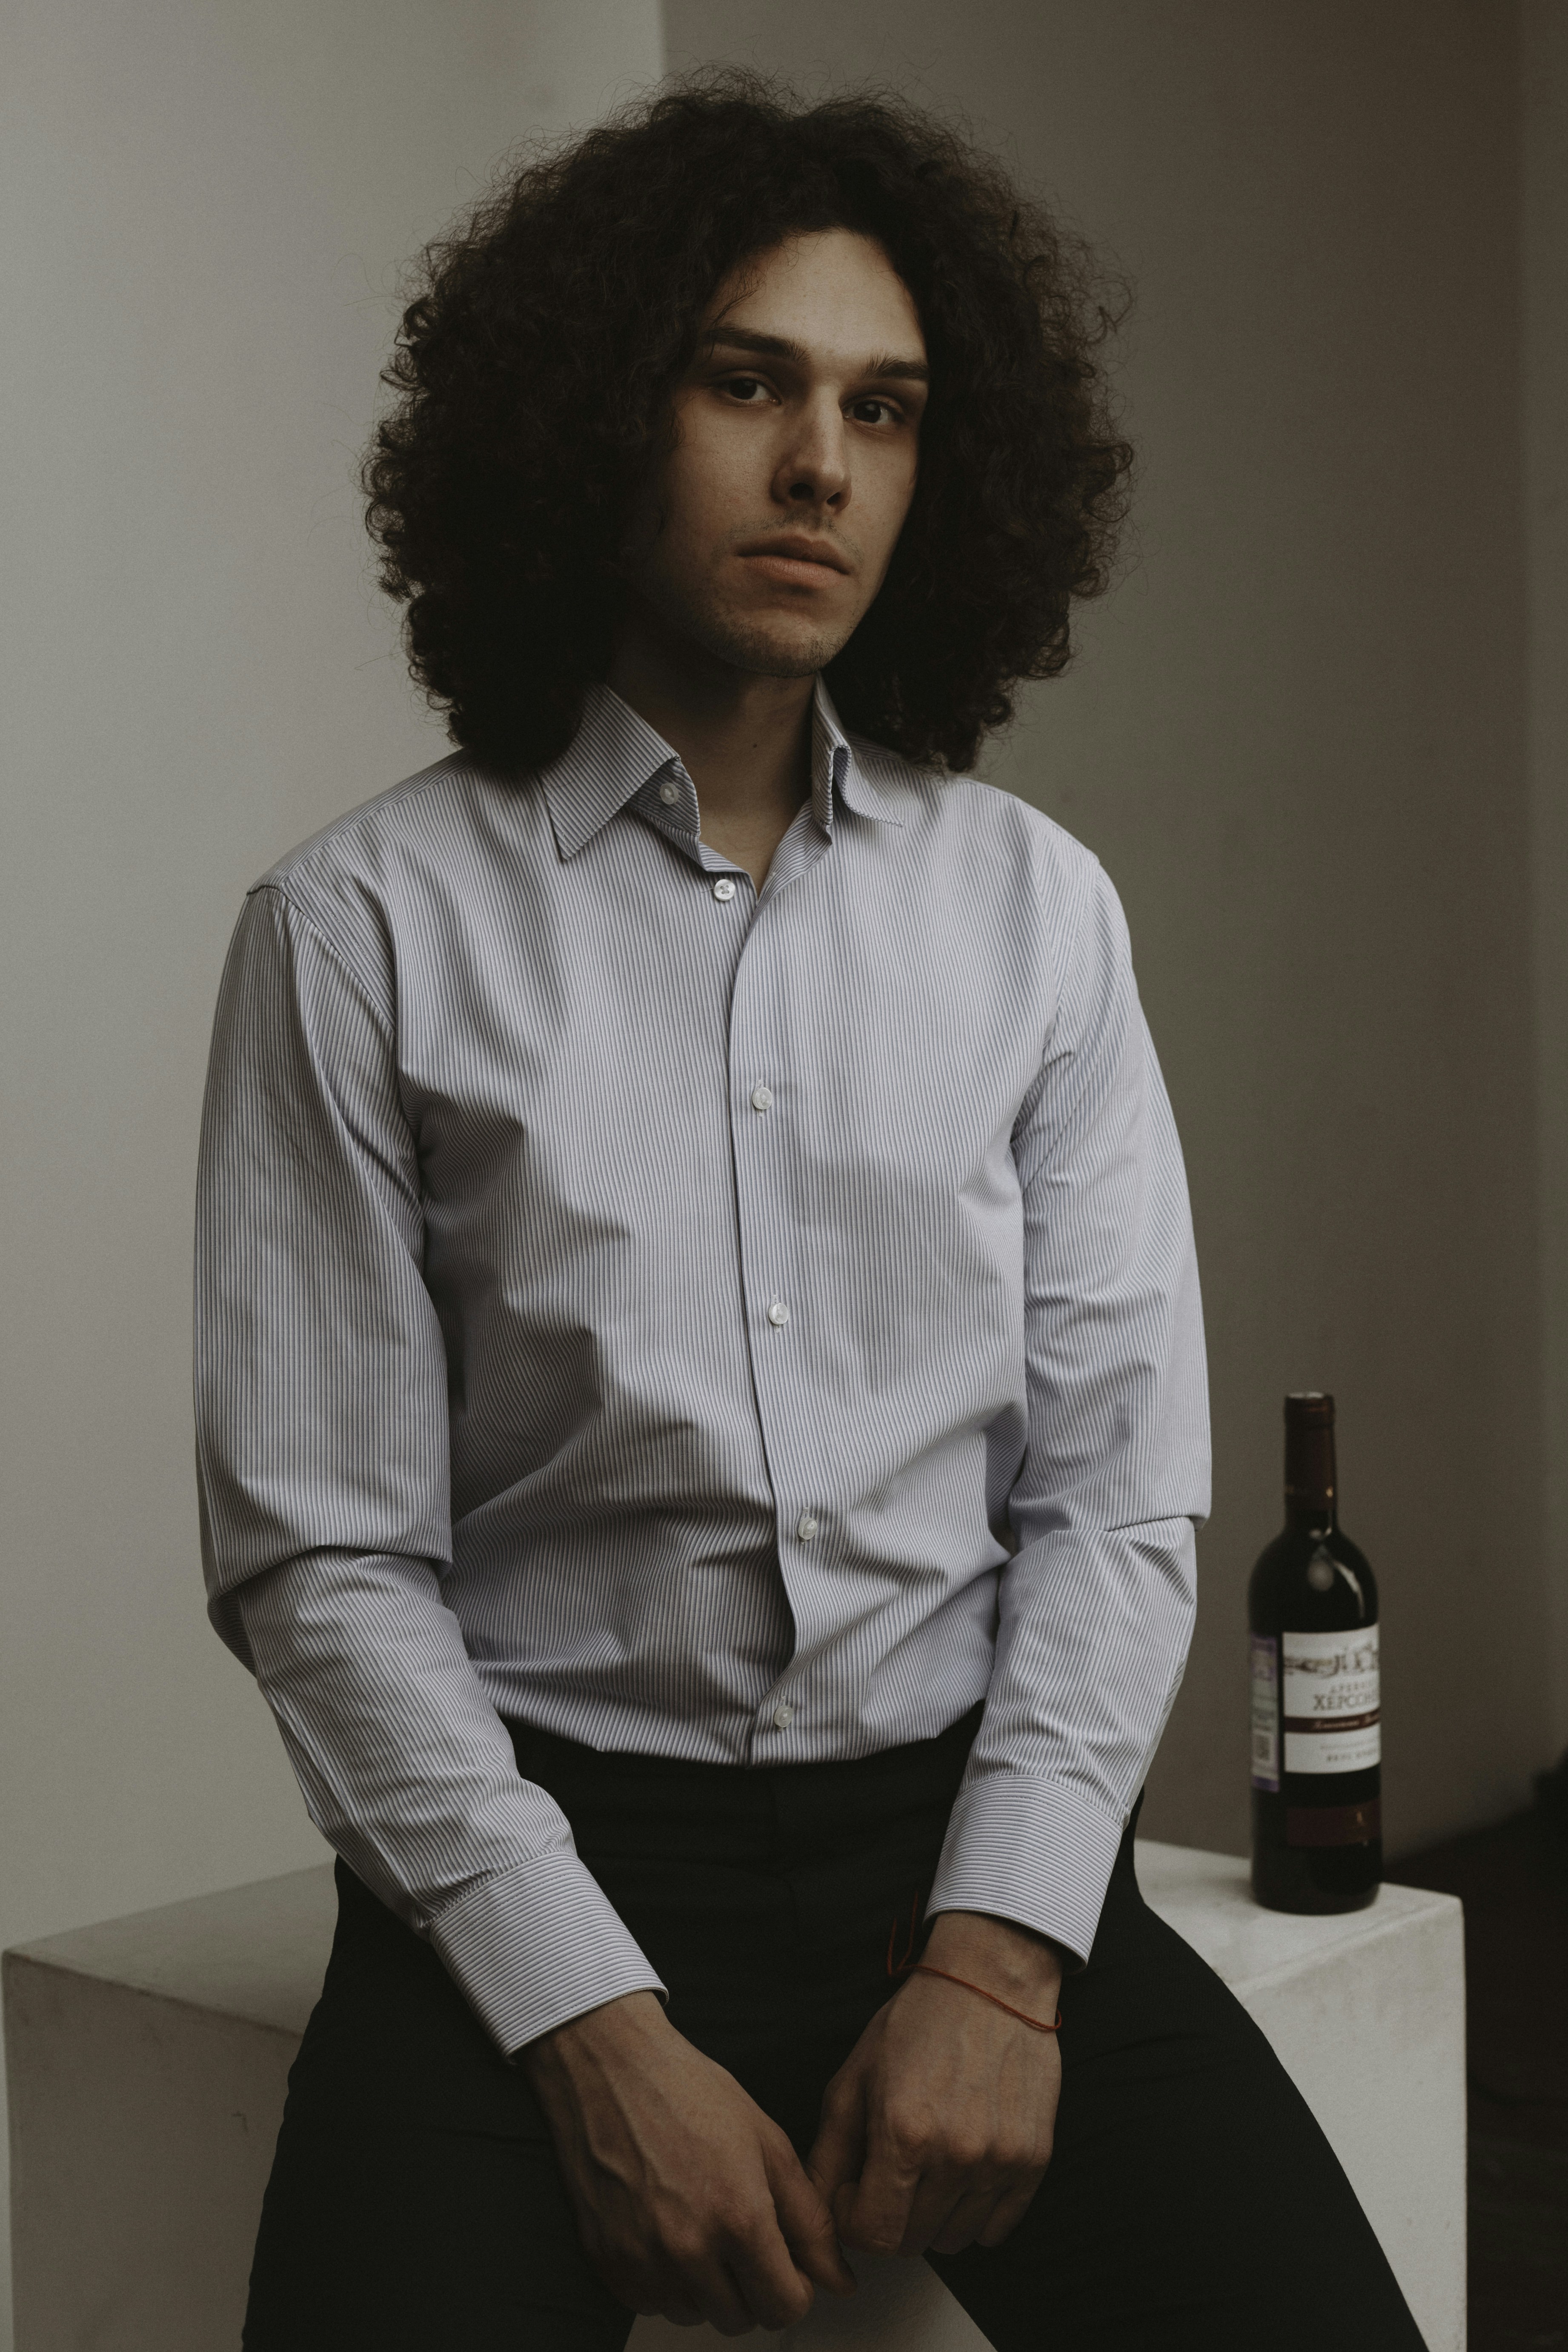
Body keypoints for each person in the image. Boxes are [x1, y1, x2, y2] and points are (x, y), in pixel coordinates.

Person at [195, 74, 1424, 2350]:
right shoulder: (357, 929)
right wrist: (584, 2025)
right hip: (533, 1853)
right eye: (744, 380)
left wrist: (996, 1954)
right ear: (587, 414)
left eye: (884, 405)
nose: (820, 466)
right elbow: (321, 1561)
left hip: (947, 1845)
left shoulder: (1035, 914)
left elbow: (1116, 1493)